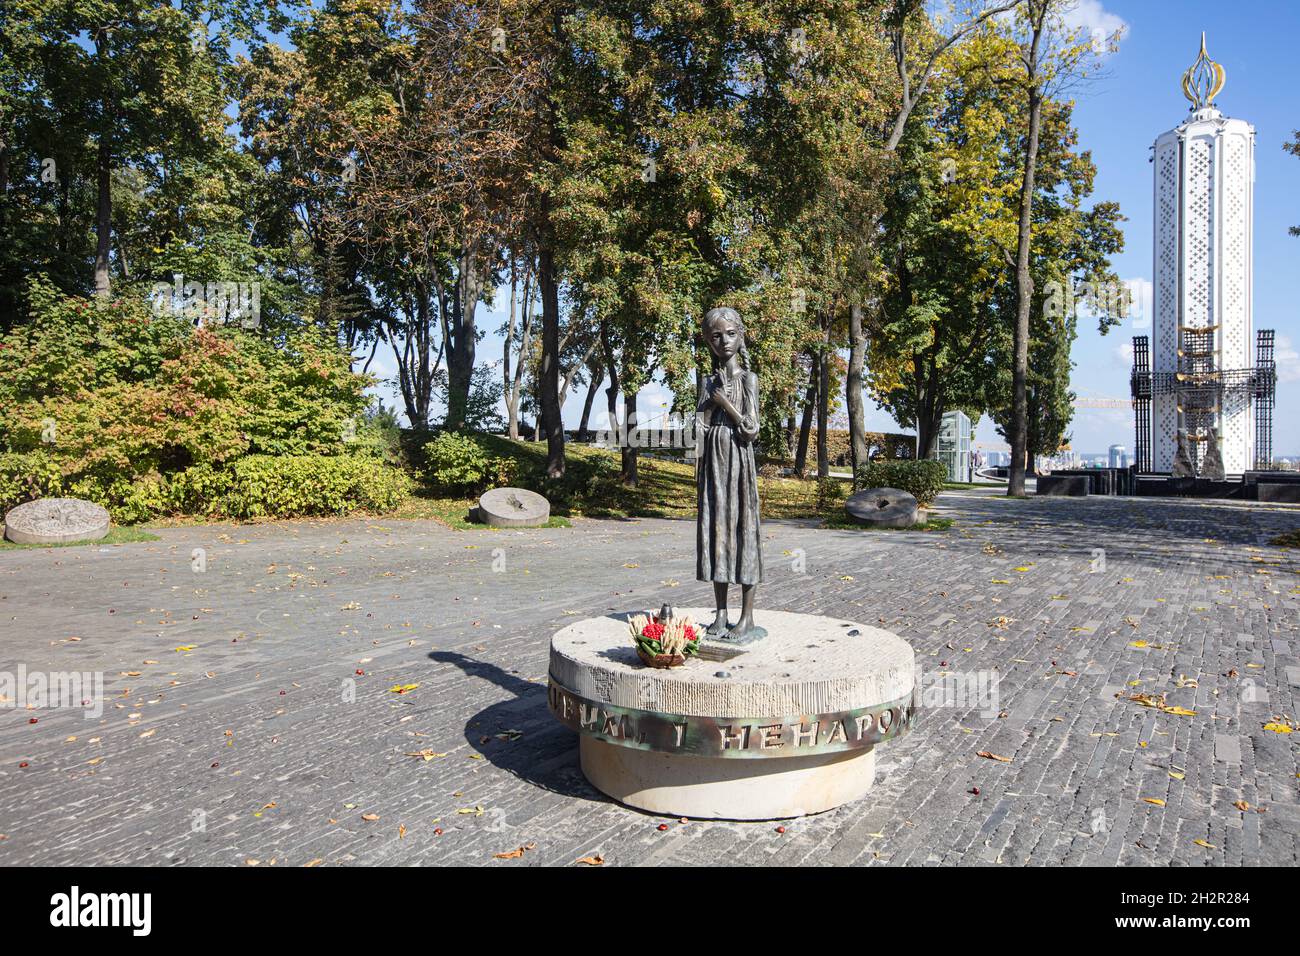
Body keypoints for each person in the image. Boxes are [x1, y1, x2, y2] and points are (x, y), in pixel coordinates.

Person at [696, 306, 765, 642]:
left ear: (741, 335)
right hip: (714, 465)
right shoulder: (707, 382)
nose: (723, 341)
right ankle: (720, 613)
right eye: (716, 336)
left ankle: (747, 616)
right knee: (717, 532)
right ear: (709, 342)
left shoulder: (748, 379)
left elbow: (752, 431)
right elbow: (698, 427)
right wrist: (710, 404)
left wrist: (726, 405)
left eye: (730, 334)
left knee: (743, 532)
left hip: (739, 463)